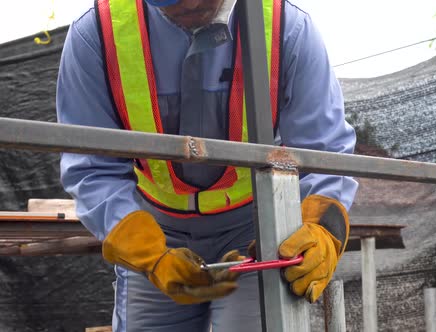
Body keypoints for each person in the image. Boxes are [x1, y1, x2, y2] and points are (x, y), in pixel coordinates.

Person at [56, 0, 358, 330]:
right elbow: (92, 165)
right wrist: (147, 252)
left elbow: (324, 154)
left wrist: (323, 227)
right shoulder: (98, 35)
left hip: (258, 231)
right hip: (156, 231)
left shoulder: (287, 29)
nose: (188, 3)